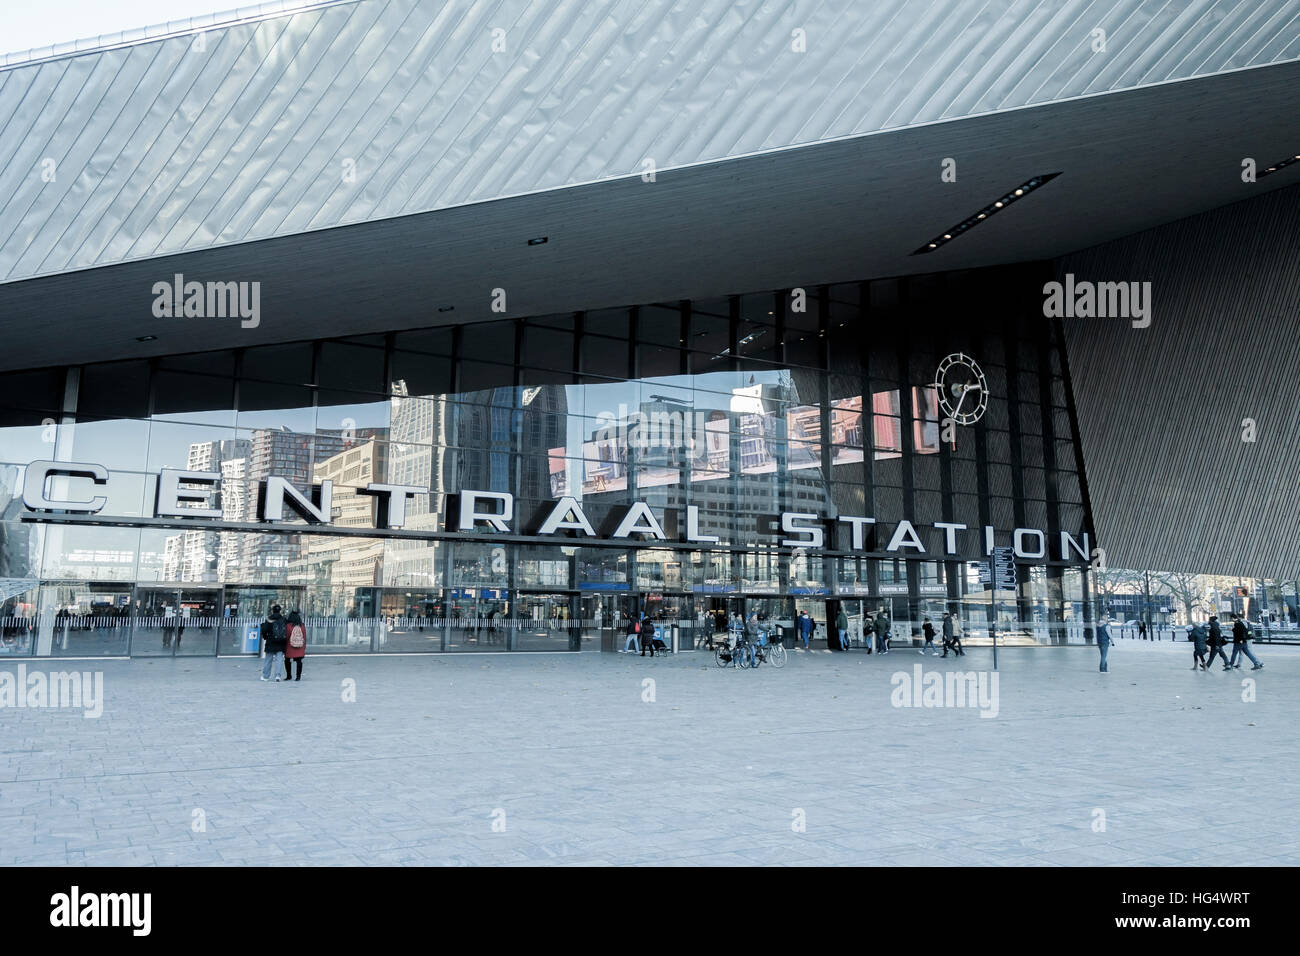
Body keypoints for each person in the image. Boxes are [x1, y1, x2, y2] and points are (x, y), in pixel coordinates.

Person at [260, 605, 288, 682]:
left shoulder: (269, 619)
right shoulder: (284, 619)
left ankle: (265, 676)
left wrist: (265, 637)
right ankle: (277, 676)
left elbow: (264, 630)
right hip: (281, 642)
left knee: (268, 660)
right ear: (280, 611)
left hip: (270, 641)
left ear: (272, 610)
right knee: (279, 660)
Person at [284, 609, 306, 681]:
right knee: (299, 661)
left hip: (290, 646)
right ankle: (298, 676)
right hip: (300, 646)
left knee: (287, 660)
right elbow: (304, 636)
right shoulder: (302, 626)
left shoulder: (288, 626)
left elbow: (287, 636)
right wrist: (304, 646)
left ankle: (289, 675)